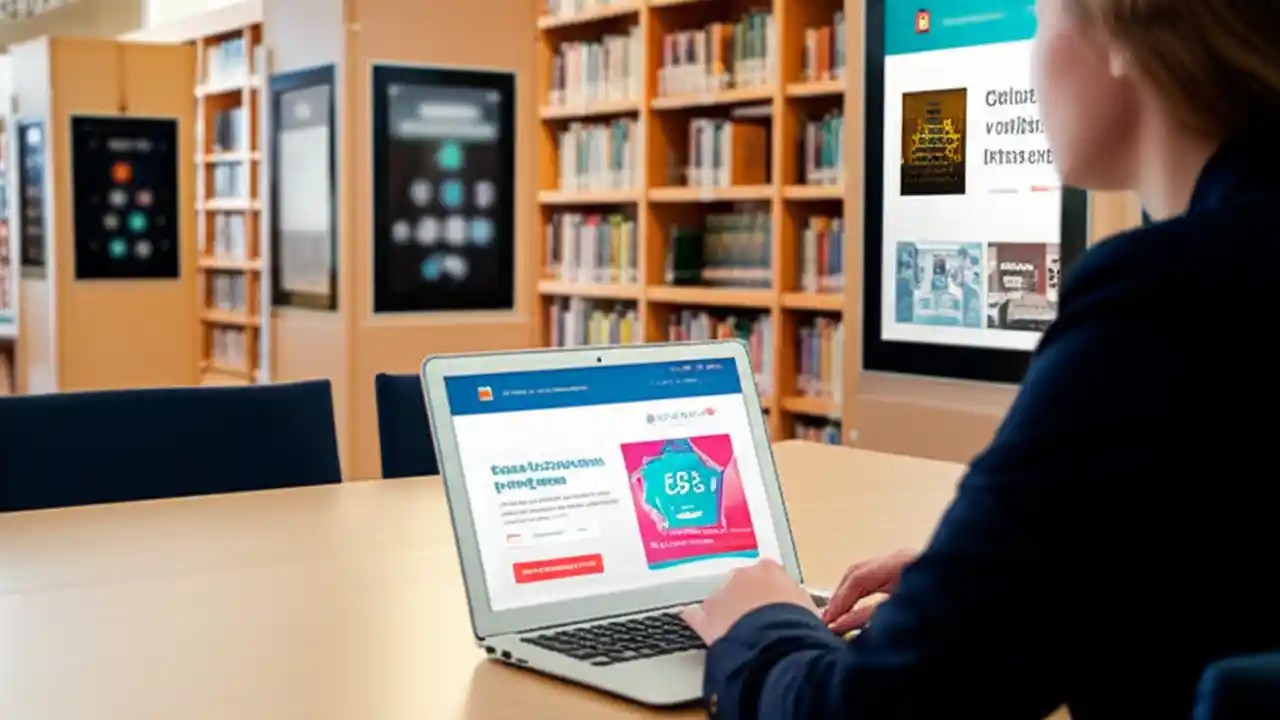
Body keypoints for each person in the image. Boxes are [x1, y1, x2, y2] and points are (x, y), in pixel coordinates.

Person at [680, 1, 1280, 717]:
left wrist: (761, 623)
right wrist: (994, 586)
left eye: (1040, 21)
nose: (1033, 60)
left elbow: (875, 710)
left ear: (1122, 33)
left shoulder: (1169, 297)